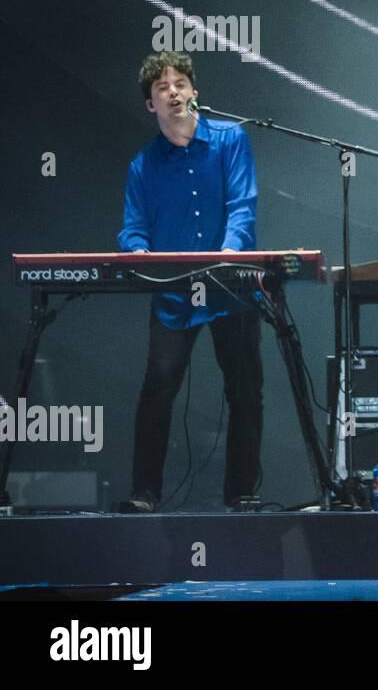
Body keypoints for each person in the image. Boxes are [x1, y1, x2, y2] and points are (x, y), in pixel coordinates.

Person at [118, 51, 262, 512]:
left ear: (195, 93)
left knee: (245, 391)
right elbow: (133, 227)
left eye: (180, 83)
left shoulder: (230, 139)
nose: (173, 92)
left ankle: (241, 494)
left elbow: (243, 204)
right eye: (162, 88)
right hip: (175, 294)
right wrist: (137, 251)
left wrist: (229, 253)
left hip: (230, 288)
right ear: (150, 105)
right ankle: (144, 493)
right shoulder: (143, 165)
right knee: (157, 388)